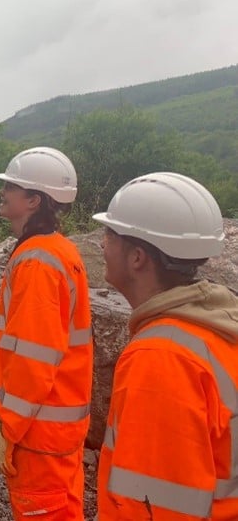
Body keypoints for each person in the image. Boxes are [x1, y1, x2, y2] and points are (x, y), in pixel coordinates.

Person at [93, 172, 237, 520]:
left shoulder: (161, 358)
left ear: (137, 257)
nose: (101, 245)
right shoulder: (214, 328)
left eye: (110, 235)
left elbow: (154, 507)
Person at [0, 146, 93, 520]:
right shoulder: (58, 250)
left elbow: (33, 357)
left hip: (39, 434)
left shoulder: (37, 263)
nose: (3, 192)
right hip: (56, 430)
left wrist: (9, 429)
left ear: (33, 200)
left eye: (11, 186)